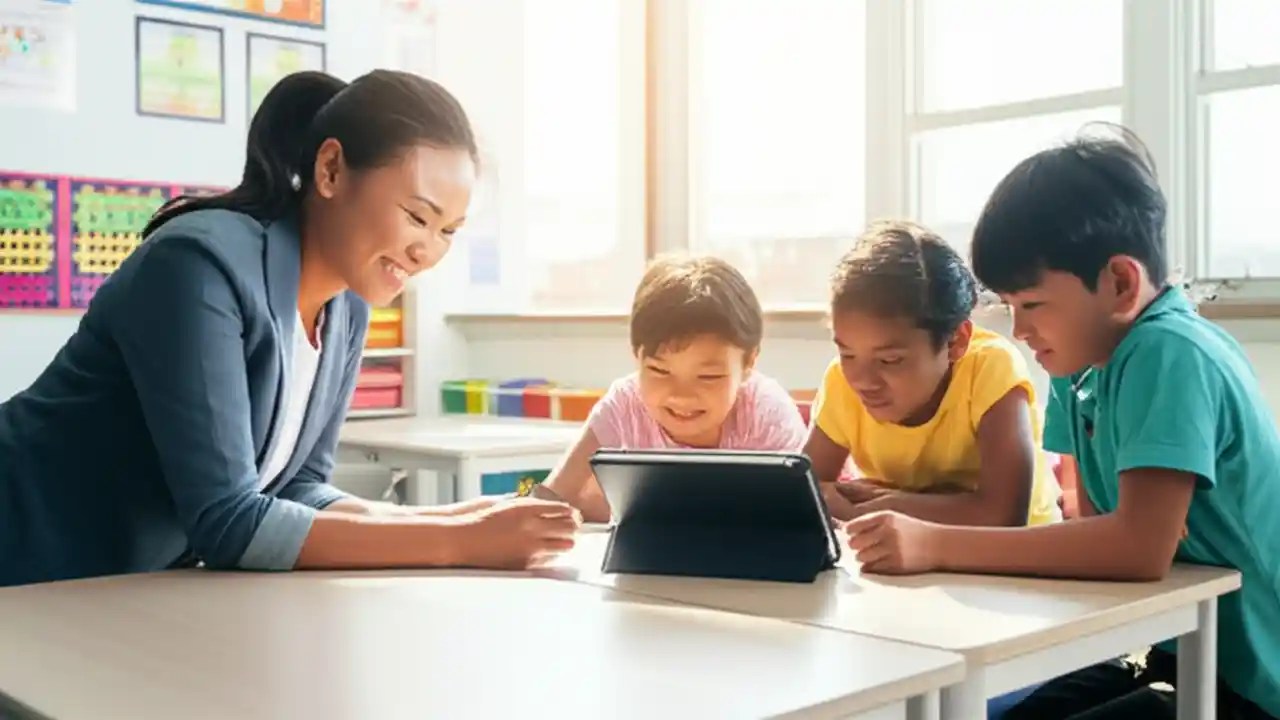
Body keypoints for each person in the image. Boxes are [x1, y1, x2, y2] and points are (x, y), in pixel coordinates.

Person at [0, 70, 578, 587]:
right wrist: (462, 543)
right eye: (417, 216)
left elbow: (298, 487)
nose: (428, 250)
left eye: (449, 231)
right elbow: (228, 522)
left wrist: (462, 517)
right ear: (330, 170)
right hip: (24, 553)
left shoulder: (347, 307)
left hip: (107, 590)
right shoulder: (198, 267)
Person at [844, 125, 1280, 719]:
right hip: (1177, 655)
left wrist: (934, 544)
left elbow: (1136, 550)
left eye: (1033, 305)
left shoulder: (1170, 351)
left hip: (1253, 685)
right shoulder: (1081, 369)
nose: (1020, 332)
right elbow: (1094, 540)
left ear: (1121, 283)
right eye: (1009, 307)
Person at [805, 220, 1060, 527]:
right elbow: (804, 491)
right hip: (908, 564)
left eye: (890, 360)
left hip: (1015, 566)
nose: (862, 380)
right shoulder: (841, 381)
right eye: (847, 353)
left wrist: (880, 506)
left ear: (955, 341)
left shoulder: (990, 369)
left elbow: (1003, 515)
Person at [536, 255, 807, 522]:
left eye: (709, 376)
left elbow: (799, 517)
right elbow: (550, 497)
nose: (682, 396)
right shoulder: (624, 404)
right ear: (637, 356)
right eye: (660, 371)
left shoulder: (766, 413)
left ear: (749, 362)